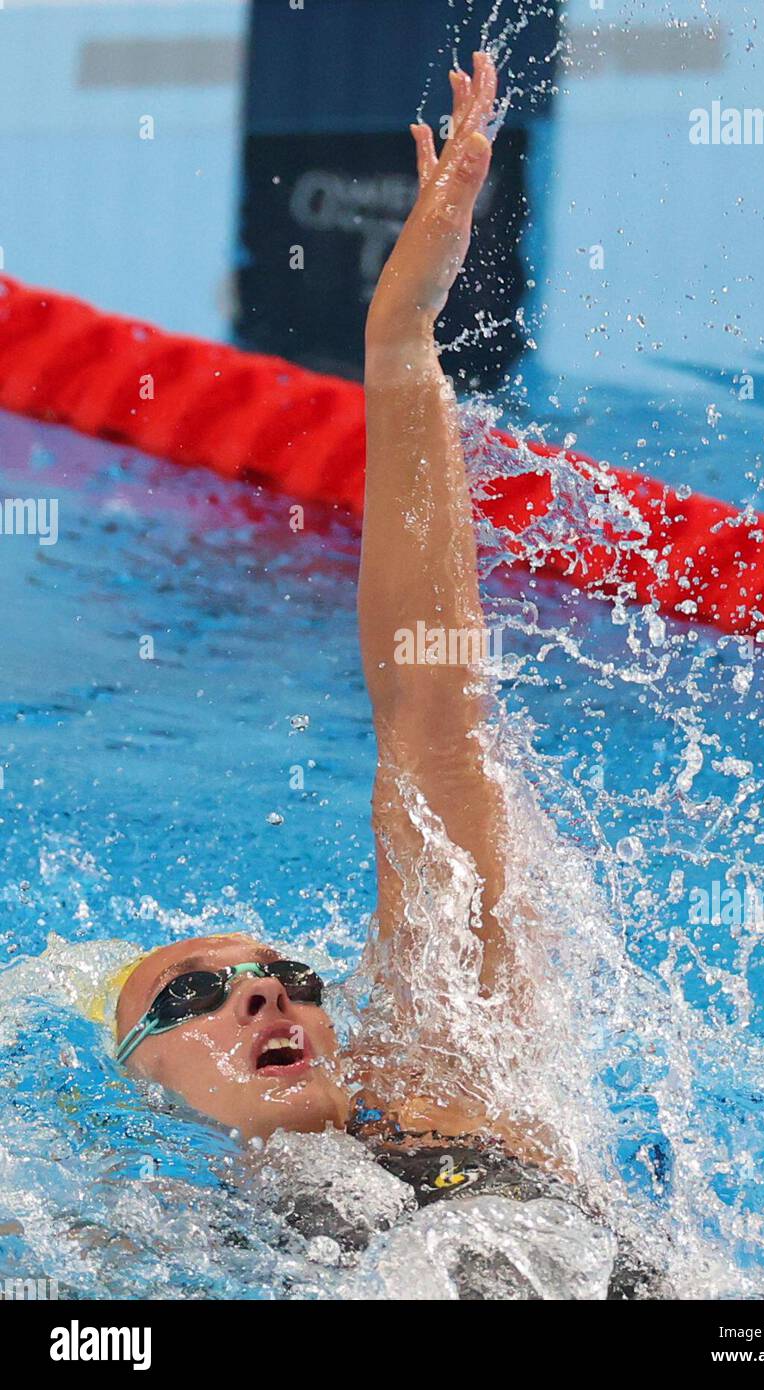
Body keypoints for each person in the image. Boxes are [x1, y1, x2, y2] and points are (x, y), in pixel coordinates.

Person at [105, 53, 662, 1298]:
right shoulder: (134, 1234)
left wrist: (400, 341)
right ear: (147, 1083)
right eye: (197, 994)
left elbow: (433, 713)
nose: (258, 996)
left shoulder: (437, 1083)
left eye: (283, 978)